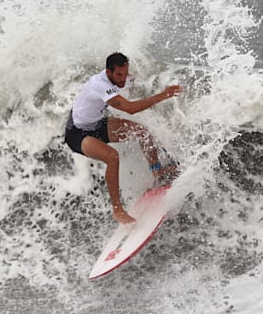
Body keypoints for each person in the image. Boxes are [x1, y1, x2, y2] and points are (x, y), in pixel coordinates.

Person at [65, 52, 182, 224]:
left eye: (125, 74)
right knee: (112, 157)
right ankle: (117, 210)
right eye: (119, 75)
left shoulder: (114, 77)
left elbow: (126, 82)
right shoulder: (100, 85)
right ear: (108, 72)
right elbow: (130, 108)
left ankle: (157, 170)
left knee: (141, 132)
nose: (123, 79)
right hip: (77, 133)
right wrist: (163, 95)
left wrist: (136, 80)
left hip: (96, 124)